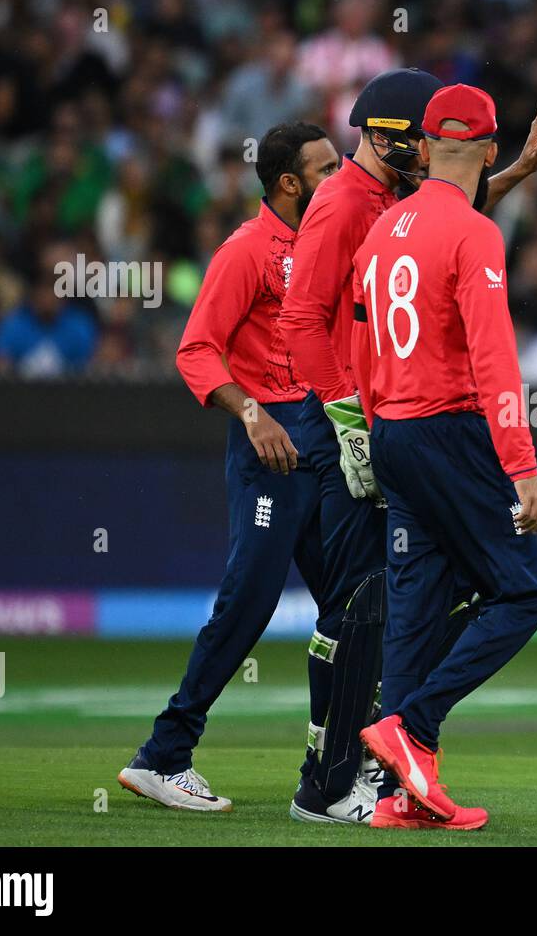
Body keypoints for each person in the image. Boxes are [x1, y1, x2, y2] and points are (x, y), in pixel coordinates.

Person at [278, 69, 537, 824]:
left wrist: (366, 422)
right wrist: (522, 466)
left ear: (426, 148)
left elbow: (362, 339)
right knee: (523, 594)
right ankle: (412, 727)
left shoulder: (386, 228)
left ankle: (402, 797)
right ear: (488, 145)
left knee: (415, 612)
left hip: (392, 429)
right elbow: (495, 359)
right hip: (451, 430)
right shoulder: (475, 233)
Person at [118, 122, 345, 812]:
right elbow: (196, 351)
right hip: (269, 445)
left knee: (350, 603)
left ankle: (333, 765)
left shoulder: (329, 240)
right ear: (288, 182)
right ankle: (163, 754)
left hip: (322, 442)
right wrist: (252, 415)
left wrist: (508, 174)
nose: (341, 178)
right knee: (250, 600)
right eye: (327, 169)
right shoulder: (247, 251)